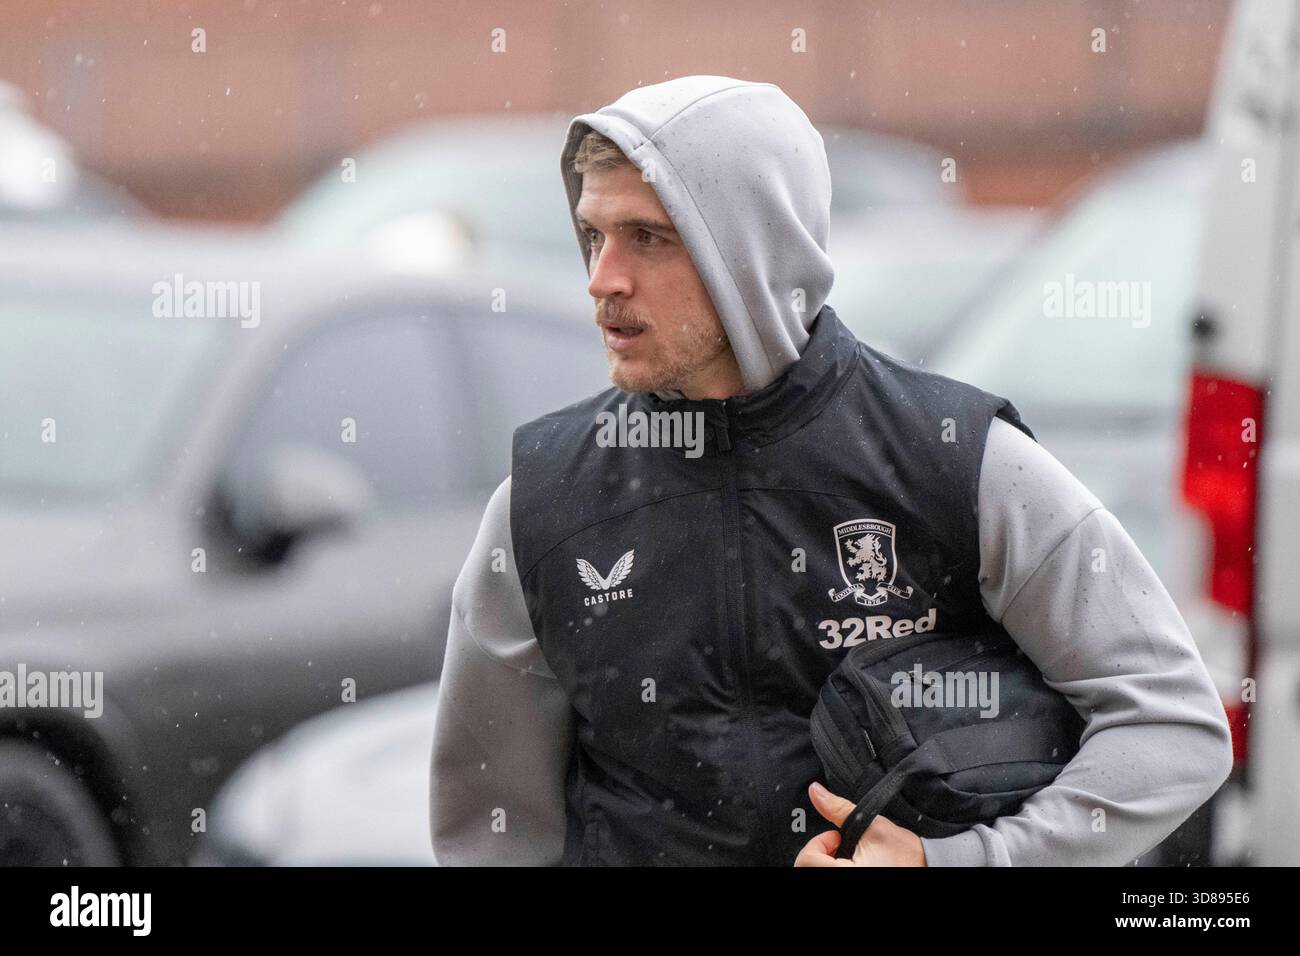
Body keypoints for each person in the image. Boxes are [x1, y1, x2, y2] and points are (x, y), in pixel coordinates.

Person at [429, 74, 1234, 866]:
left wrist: (958, 862)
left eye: (649, 237)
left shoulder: (955, 458)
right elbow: (490, 830)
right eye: (594, 235)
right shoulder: (541, 504)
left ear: (751, 251)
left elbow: (1171, 725)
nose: (602, 278)